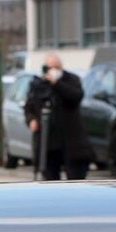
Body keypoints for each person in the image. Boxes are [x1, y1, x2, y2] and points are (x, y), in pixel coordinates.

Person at [24, 53, 92, 181]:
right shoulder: (39, 84)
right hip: (49, 141)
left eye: (56, 67)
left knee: (75, 177)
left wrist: (56, 83)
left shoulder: (72, 80)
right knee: (50, 177)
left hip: (71, 140)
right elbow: (29, 107)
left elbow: (75, 97)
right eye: (50, 68)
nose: (53, 71)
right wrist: (31, 120)